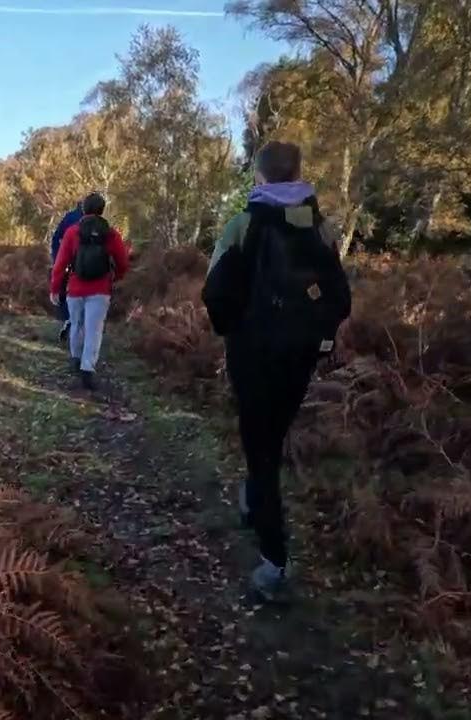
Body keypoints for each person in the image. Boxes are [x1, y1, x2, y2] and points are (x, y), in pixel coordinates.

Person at [201, 141, 352, 602]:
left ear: (259, 178)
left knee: (260, 449)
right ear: (299, 173)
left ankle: (274, 563)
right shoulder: (322, 227)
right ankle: (253, 499)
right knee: (271, 437)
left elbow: (215, 293)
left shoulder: (243, 224)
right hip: (301, 355)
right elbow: (339, 298)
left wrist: (233, 332)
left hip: (253, 354)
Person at [49, 192, 130, 391]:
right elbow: (123, 261)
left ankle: (75, 360)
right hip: (100, 290)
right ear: (102, 209)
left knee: (76, 324)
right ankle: (87, 369)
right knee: (94, 329)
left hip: (75, 289)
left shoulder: (72, 232)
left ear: (83, 209)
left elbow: (61, 263)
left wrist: (55, 287)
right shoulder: (110, 233)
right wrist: (116, 277)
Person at [50, 199, 84, 341]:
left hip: (69, 263)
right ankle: (77, 324)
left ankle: (70, 320)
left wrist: (57, 257)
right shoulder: (99, 222)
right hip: (90, 267)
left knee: (67, 293)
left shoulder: (69, 217)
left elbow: (56, 238)